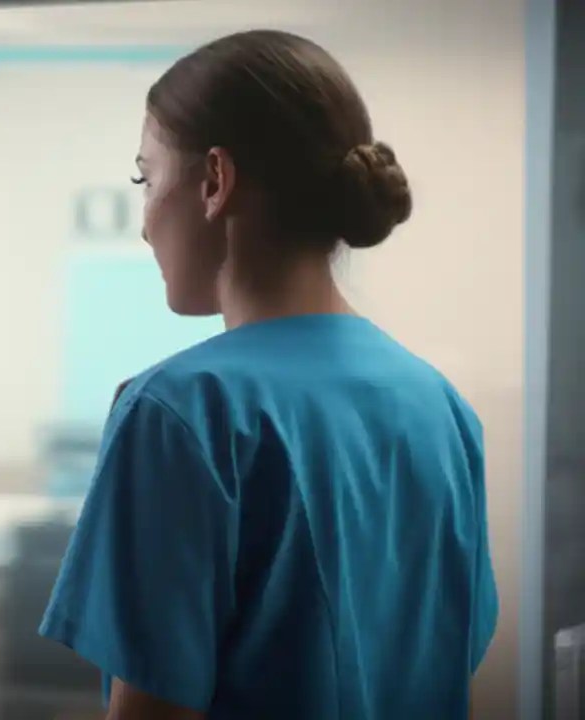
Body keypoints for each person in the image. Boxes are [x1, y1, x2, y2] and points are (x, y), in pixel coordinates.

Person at [39, 29, 497, 720]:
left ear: (215, 182)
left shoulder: (181, 410)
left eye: (146, 178)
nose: (143, 225)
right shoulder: (439, 404)